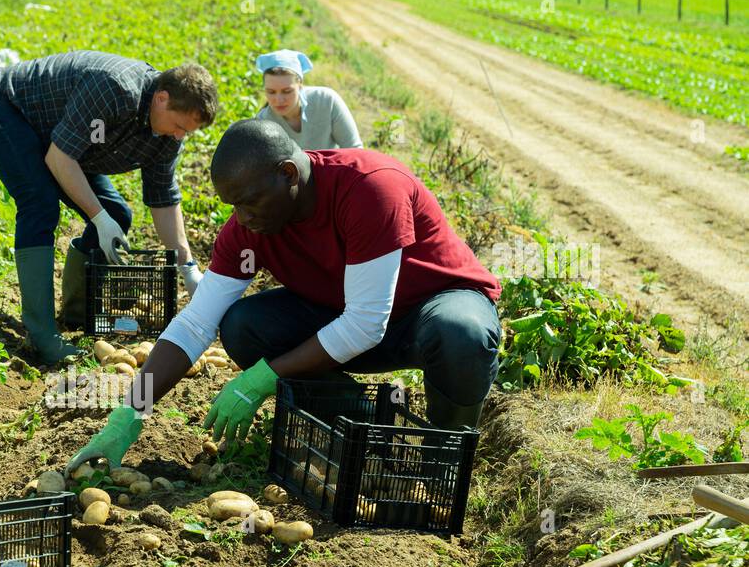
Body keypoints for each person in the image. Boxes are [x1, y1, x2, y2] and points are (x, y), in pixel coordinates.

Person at [66, 118, 502, 473]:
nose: (242, 218)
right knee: (242, 327)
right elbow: (196, 323)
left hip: (430, 308)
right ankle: (370, 430)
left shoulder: (369, 188)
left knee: (461, 333)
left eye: (250, 202)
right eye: (232, 206)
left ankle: (444, 456)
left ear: (288, 174)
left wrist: (261, 378)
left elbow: (367, 323)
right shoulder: (249, 229)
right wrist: (130, 412)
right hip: (344, 316)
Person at [0, 51, 216, 364]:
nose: (180, 136)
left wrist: (189, 268)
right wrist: (98, 217)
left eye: (188, 132)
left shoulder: (167, 136)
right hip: (6, 110)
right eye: (180, 126)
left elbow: (163, 198)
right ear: (162, 98)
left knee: (117, 215)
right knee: (40, 204)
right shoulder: (114, 88)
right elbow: (60, 159)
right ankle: (42, 334)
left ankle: (74, 314)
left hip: (60, 138)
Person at [255, 49, 361, 151]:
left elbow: (354, 149)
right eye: (271, 92)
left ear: (300, 86)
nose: (278, 100)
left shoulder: (326, 101)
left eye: (287, 91)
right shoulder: (263, 124)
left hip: (334, 167)